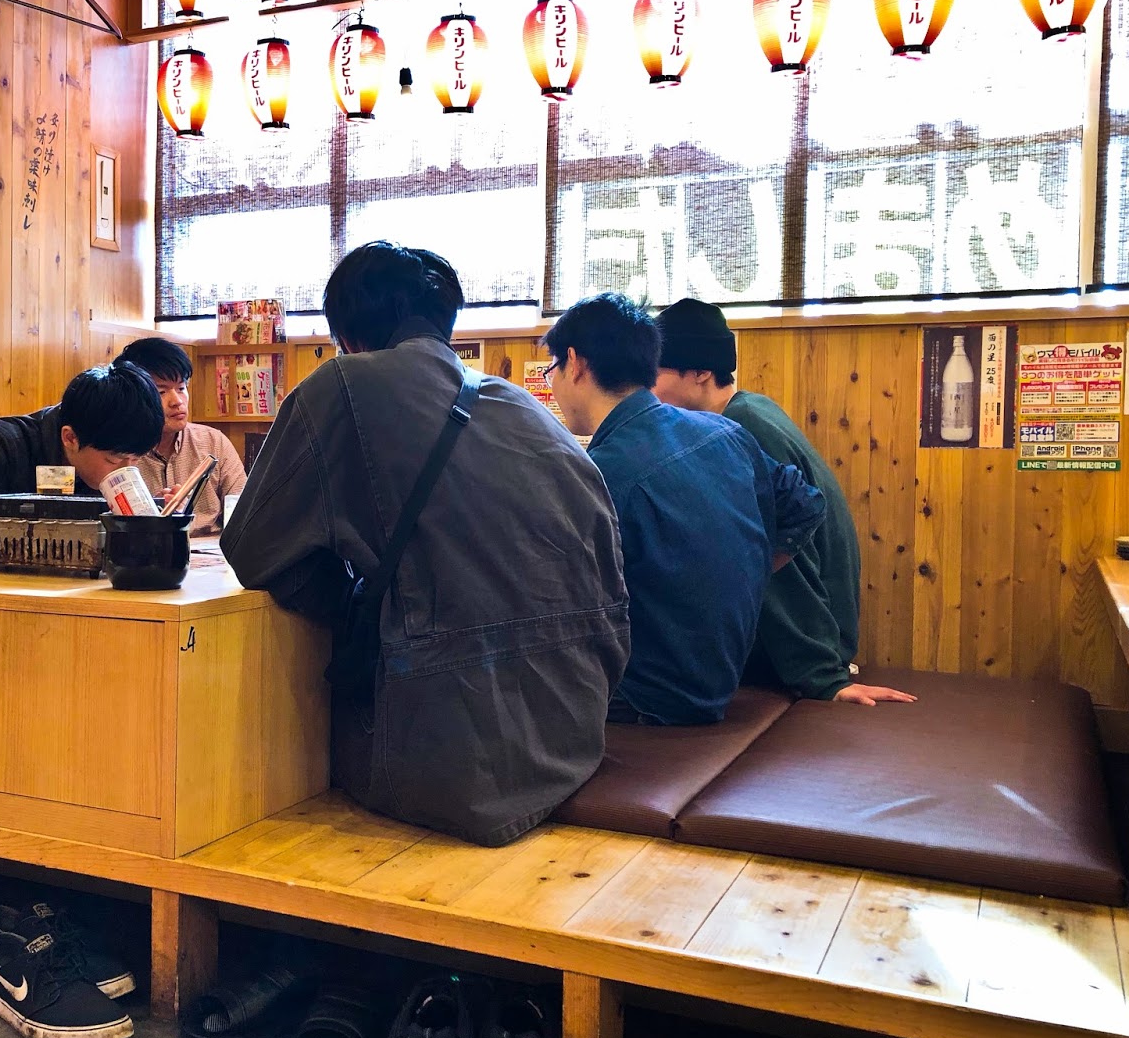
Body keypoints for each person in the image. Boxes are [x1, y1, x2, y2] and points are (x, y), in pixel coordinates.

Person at [220, 242, 630, 847]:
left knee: (258, 743)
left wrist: (352, 604)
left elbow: (251, 547)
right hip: (573, 731)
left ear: (350, 338)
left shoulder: (345, 384)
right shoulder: (522, 407)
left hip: (454, 763)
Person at [543, 293, 826, 727]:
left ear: (576, 363)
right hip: (719, 685)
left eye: (552, 369)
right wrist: (743, 573)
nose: (553, 383)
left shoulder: (599, 475)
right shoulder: (725, 432)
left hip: (642, 701)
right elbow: (805, 505)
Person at [651, 298, 916, 708]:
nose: (647, 390)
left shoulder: (740, 429)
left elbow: (782, 560)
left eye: (655, 375)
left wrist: (822, 675)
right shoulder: (751, 408)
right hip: (809, 638)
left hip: (800, 648)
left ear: (701, 372)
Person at [0, 363, 165, 514]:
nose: (124, 470)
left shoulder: (105, 445)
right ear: (70, 438)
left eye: (136, 460)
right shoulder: (2, 444)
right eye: (114, 461)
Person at [115, 338, 247, 535]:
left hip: (214, 556)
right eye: (161, 391)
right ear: (133, 395)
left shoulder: (213, 442)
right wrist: (152, 514)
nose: (177, 401)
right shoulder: (117, 452)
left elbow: (245, 512)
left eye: (181, 388)